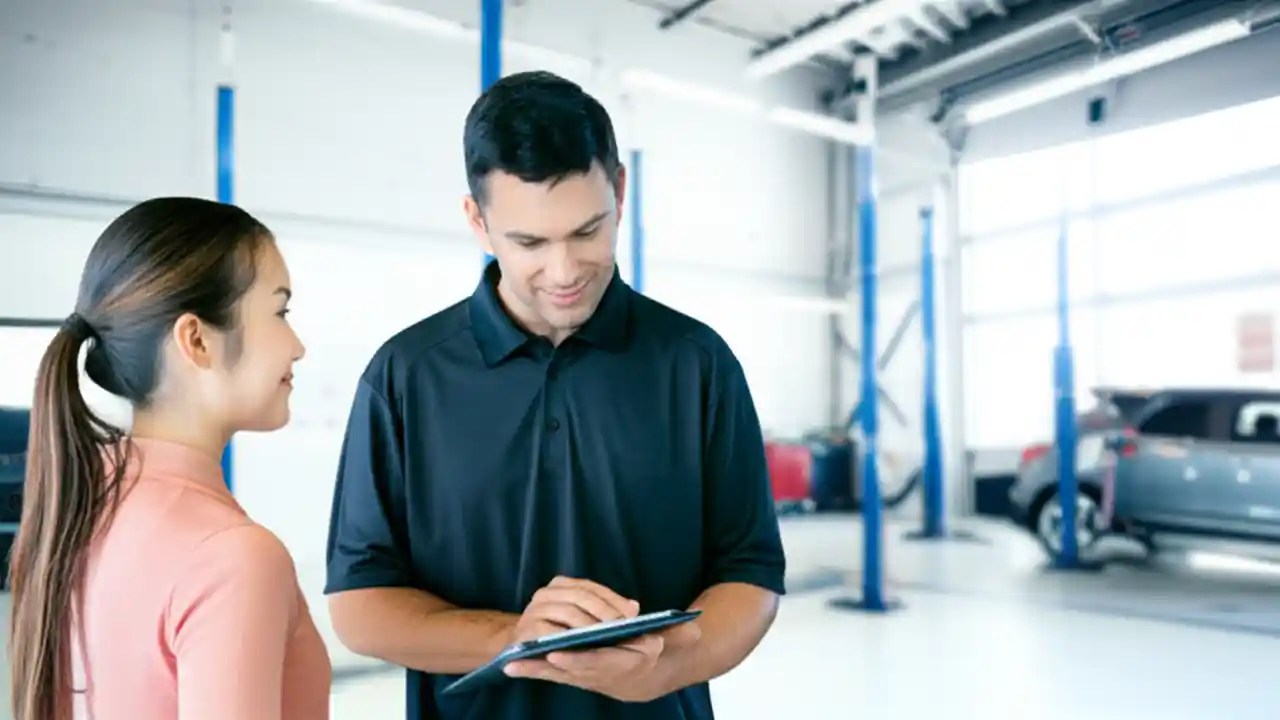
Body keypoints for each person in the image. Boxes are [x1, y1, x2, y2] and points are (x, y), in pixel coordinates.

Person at [324, 70, 786, 719]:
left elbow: (752, 575)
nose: (565, 271)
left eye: (587, 231)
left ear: (620, 193)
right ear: (477, 222)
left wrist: (661, 673)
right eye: (530, 243)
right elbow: (360, 607)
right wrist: (515, 635)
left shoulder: (697, 363)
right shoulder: (406, 376)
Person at [8, 197, 332, 720]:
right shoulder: (233, 556)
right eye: (280, 311)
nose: (297, 347)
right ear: (197, 340)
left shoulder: (69, 510)